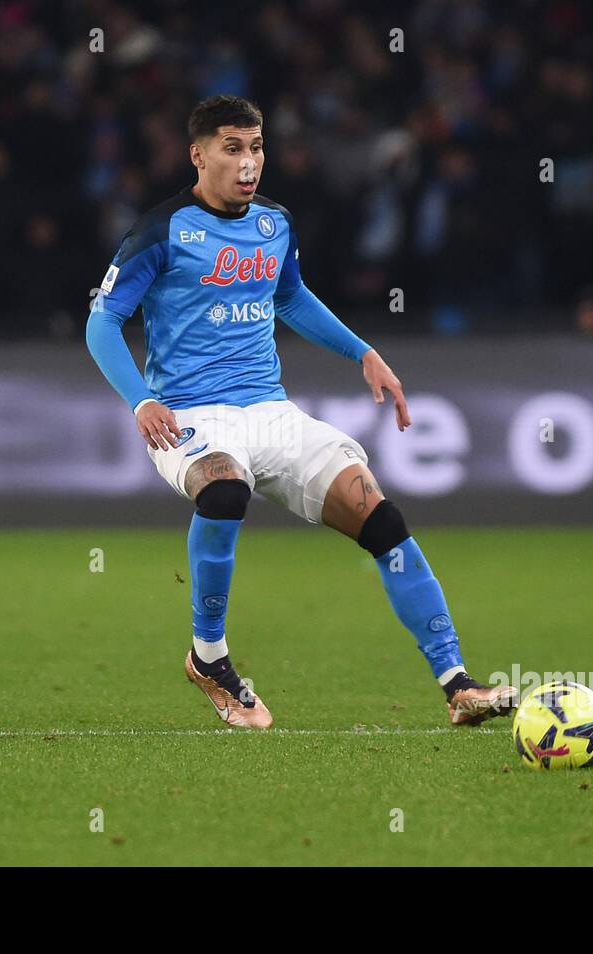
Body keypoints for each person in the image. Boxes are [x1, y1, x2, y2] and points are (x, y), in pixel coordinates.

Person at [86, 95, 516, 729]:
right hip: (189, 415)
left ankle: (457, 684)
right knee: (225, 488)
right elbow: (103, 322)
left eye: (256, 148)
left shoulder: (274, 224)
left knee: (381, 517)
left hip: (273, 413)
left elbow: (291, 296)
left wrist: (363, 351)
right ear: (198, 155)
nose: (248, 163)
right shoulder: (162, 229)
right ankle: (210, 657)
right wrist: (141, 398)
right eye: (232, 149)